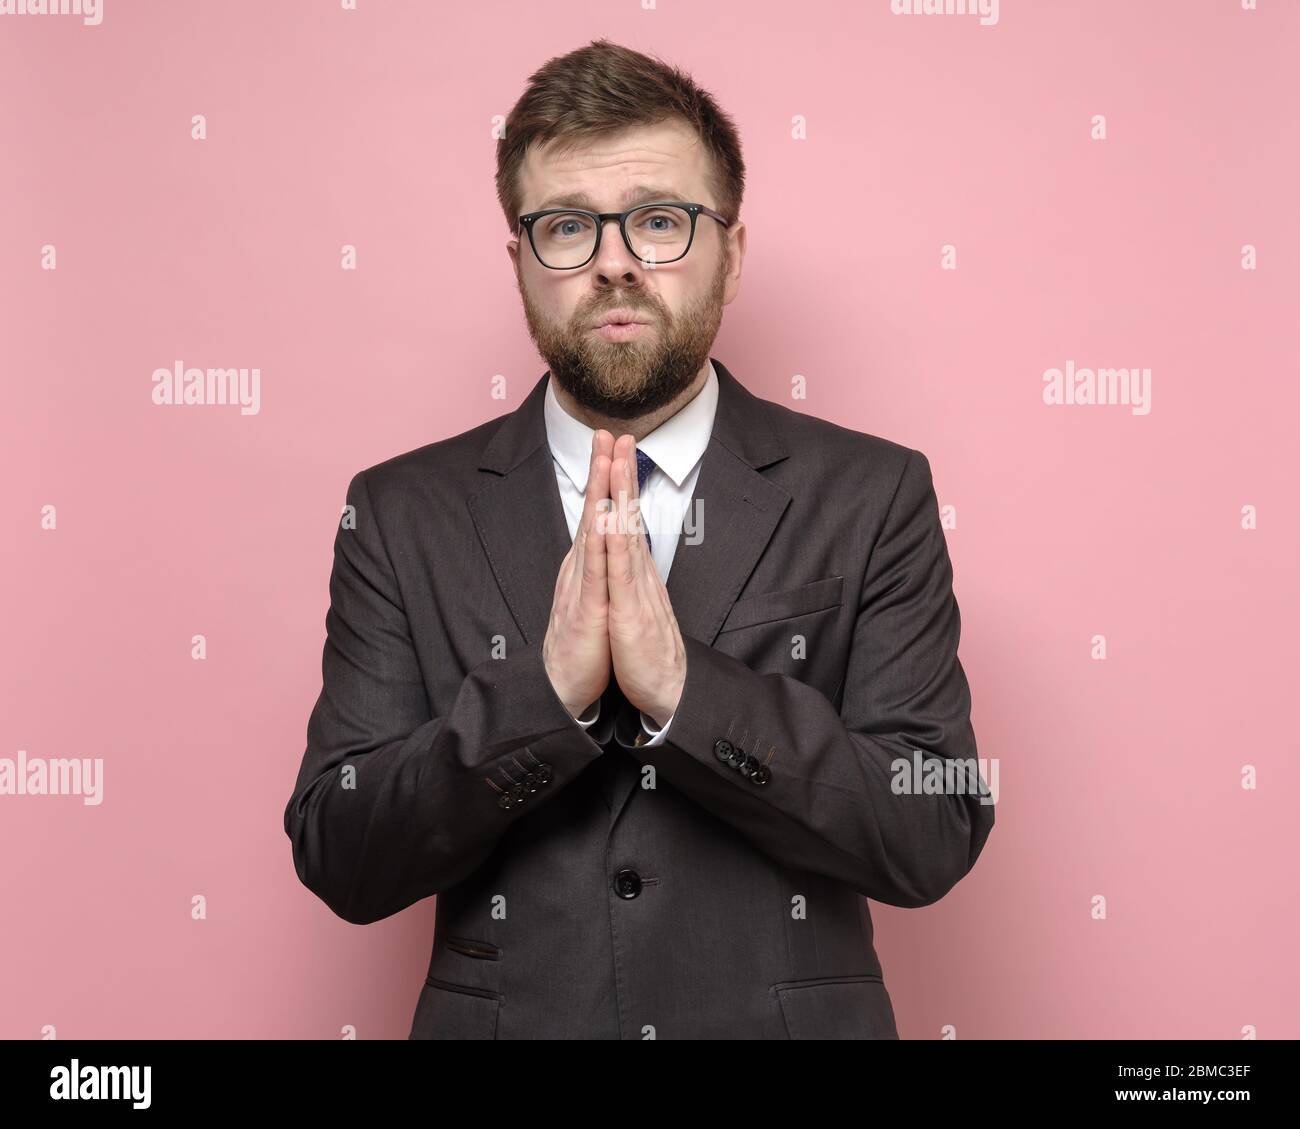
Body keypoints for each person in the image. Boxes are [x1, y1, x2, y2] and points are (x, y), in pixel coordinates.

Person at [283, 38, 994, 1040]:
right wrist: (544, 698)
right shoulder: (401, 512)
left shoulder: (873, 493)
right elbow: (340, 851)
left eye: (659, 221)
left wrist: (685, 692)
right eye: (568, 226)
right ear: (522, 262)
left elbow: (933, 828)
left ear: (732, 253)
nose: (614, 261)